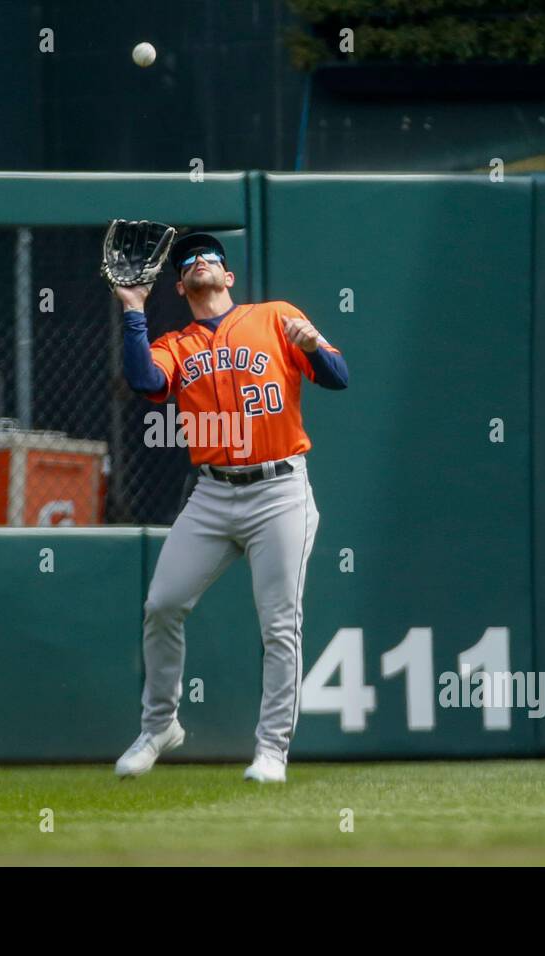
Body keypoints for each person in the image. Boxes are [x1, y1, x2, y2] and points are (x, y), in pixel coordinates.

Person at [112, 232, 349, 783]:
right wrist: (132, 310)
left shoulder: (275, 317)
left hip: (279, 490)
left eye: (209, 257)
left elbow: (339, 379)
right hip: (214, 493)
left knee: (279, 626)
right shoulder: (175, 343)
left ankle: (271, 751)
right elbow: (145, 381)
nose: (199, 262)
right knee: (163, 603)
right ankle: (159, 726)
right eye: (189, 260)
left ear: (229, 276)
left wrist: (312, 345)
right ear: (180, 284)